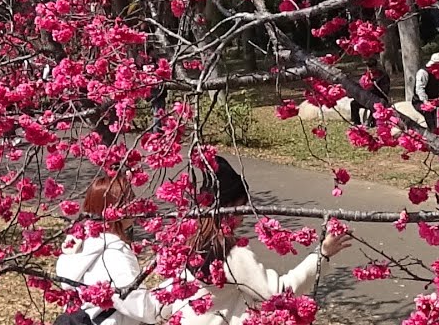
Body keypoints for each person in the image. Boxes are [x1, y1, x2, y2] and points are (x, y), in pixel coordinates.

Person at [175, 157, 353, 325]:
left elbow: (172, 292)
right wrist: (322, 254)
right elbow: (278, 292)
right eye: (242, 206)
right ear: (229, 208)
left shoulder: (188, 243)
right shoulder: (231, 252)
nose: (244, 214)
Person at [54, 176, 168, 325]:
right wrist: (175, 288)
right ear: (115, 209)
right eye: (130, 201)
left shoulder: (79, 246)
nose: (135, 206)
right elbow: (145, 309)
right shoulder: (114, 252)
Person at [350, 60, 391, 128]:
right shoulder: (366, 76)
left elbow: (385, 91)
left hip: (378, 98)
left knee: (376, 105)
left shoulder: (383, 76)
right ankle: (356, 122)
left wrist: (373, 87)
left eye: (372, 68)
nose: (370, 70)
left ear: (376, 67)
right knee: (354, 103)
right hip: (367, 98)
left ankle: (370, 122)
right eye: (369, 68)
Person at [414, 52, 439, 131]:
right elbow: (419, 89)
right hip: (421, 101)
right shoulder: (423, 72)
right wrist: (425, 101)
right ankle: (432, 131)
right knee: (429, 116)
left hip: (435, 99)